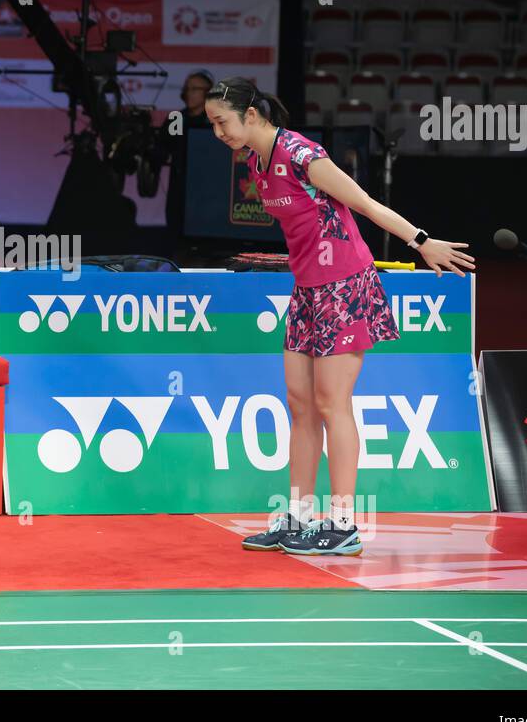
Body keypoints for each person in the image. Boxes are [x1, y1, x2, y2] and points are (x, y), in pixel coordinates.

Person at [204, 77, 474, 556]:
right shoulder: (254, 160)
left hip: (345, 286)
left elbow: (364, 205)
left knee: (332, 404)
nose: (218, 132)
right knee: (300, 404)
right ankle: (300, 518)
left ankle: (344, 522)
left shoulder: (303, 155)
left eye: (221, 122)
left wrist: (422, 241)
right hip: (307, 291)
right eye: (212, 125)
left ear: (250, 115)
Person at [153, 69, 214, 244]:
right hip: (179, 189)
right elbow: (163, 149)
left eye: (195, 89)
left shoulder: (215, 121)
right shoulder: (177, 119)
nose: (189, 93)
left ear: (208, 93)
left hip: (207, 190)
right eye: (188, 89)